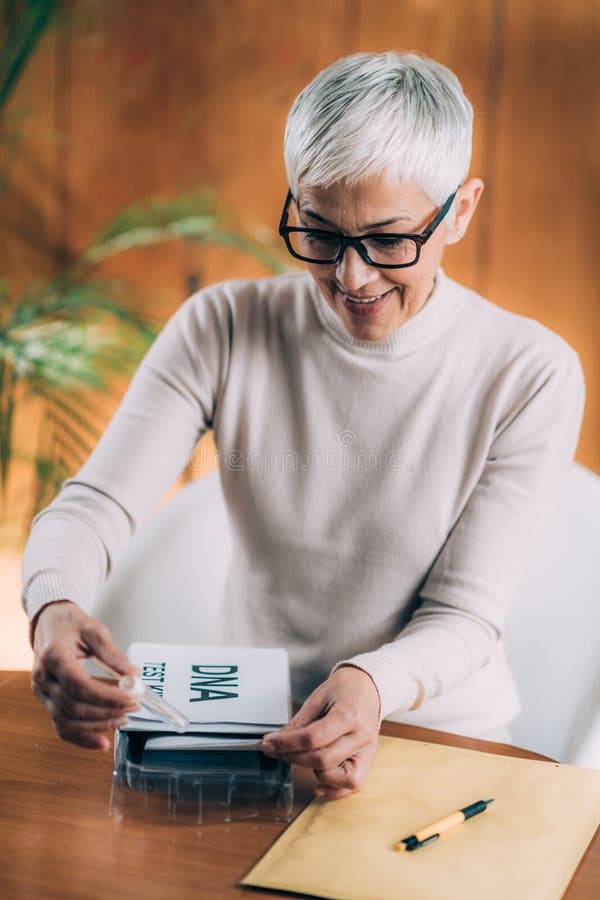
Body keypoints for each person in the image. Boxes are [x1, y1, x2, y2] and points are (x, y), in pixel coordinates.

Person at [22, 51, 585, 800]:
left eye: (388, 240)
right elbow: (96, 504)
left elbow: (464, 615)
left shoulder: (530, 371)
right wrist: (52, 605)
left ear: (462, 209)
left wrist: (369, 684)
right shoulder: (222, 327)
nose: (352, 279)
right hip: (250, 732)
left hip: (442, 738)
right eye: (319, 233)